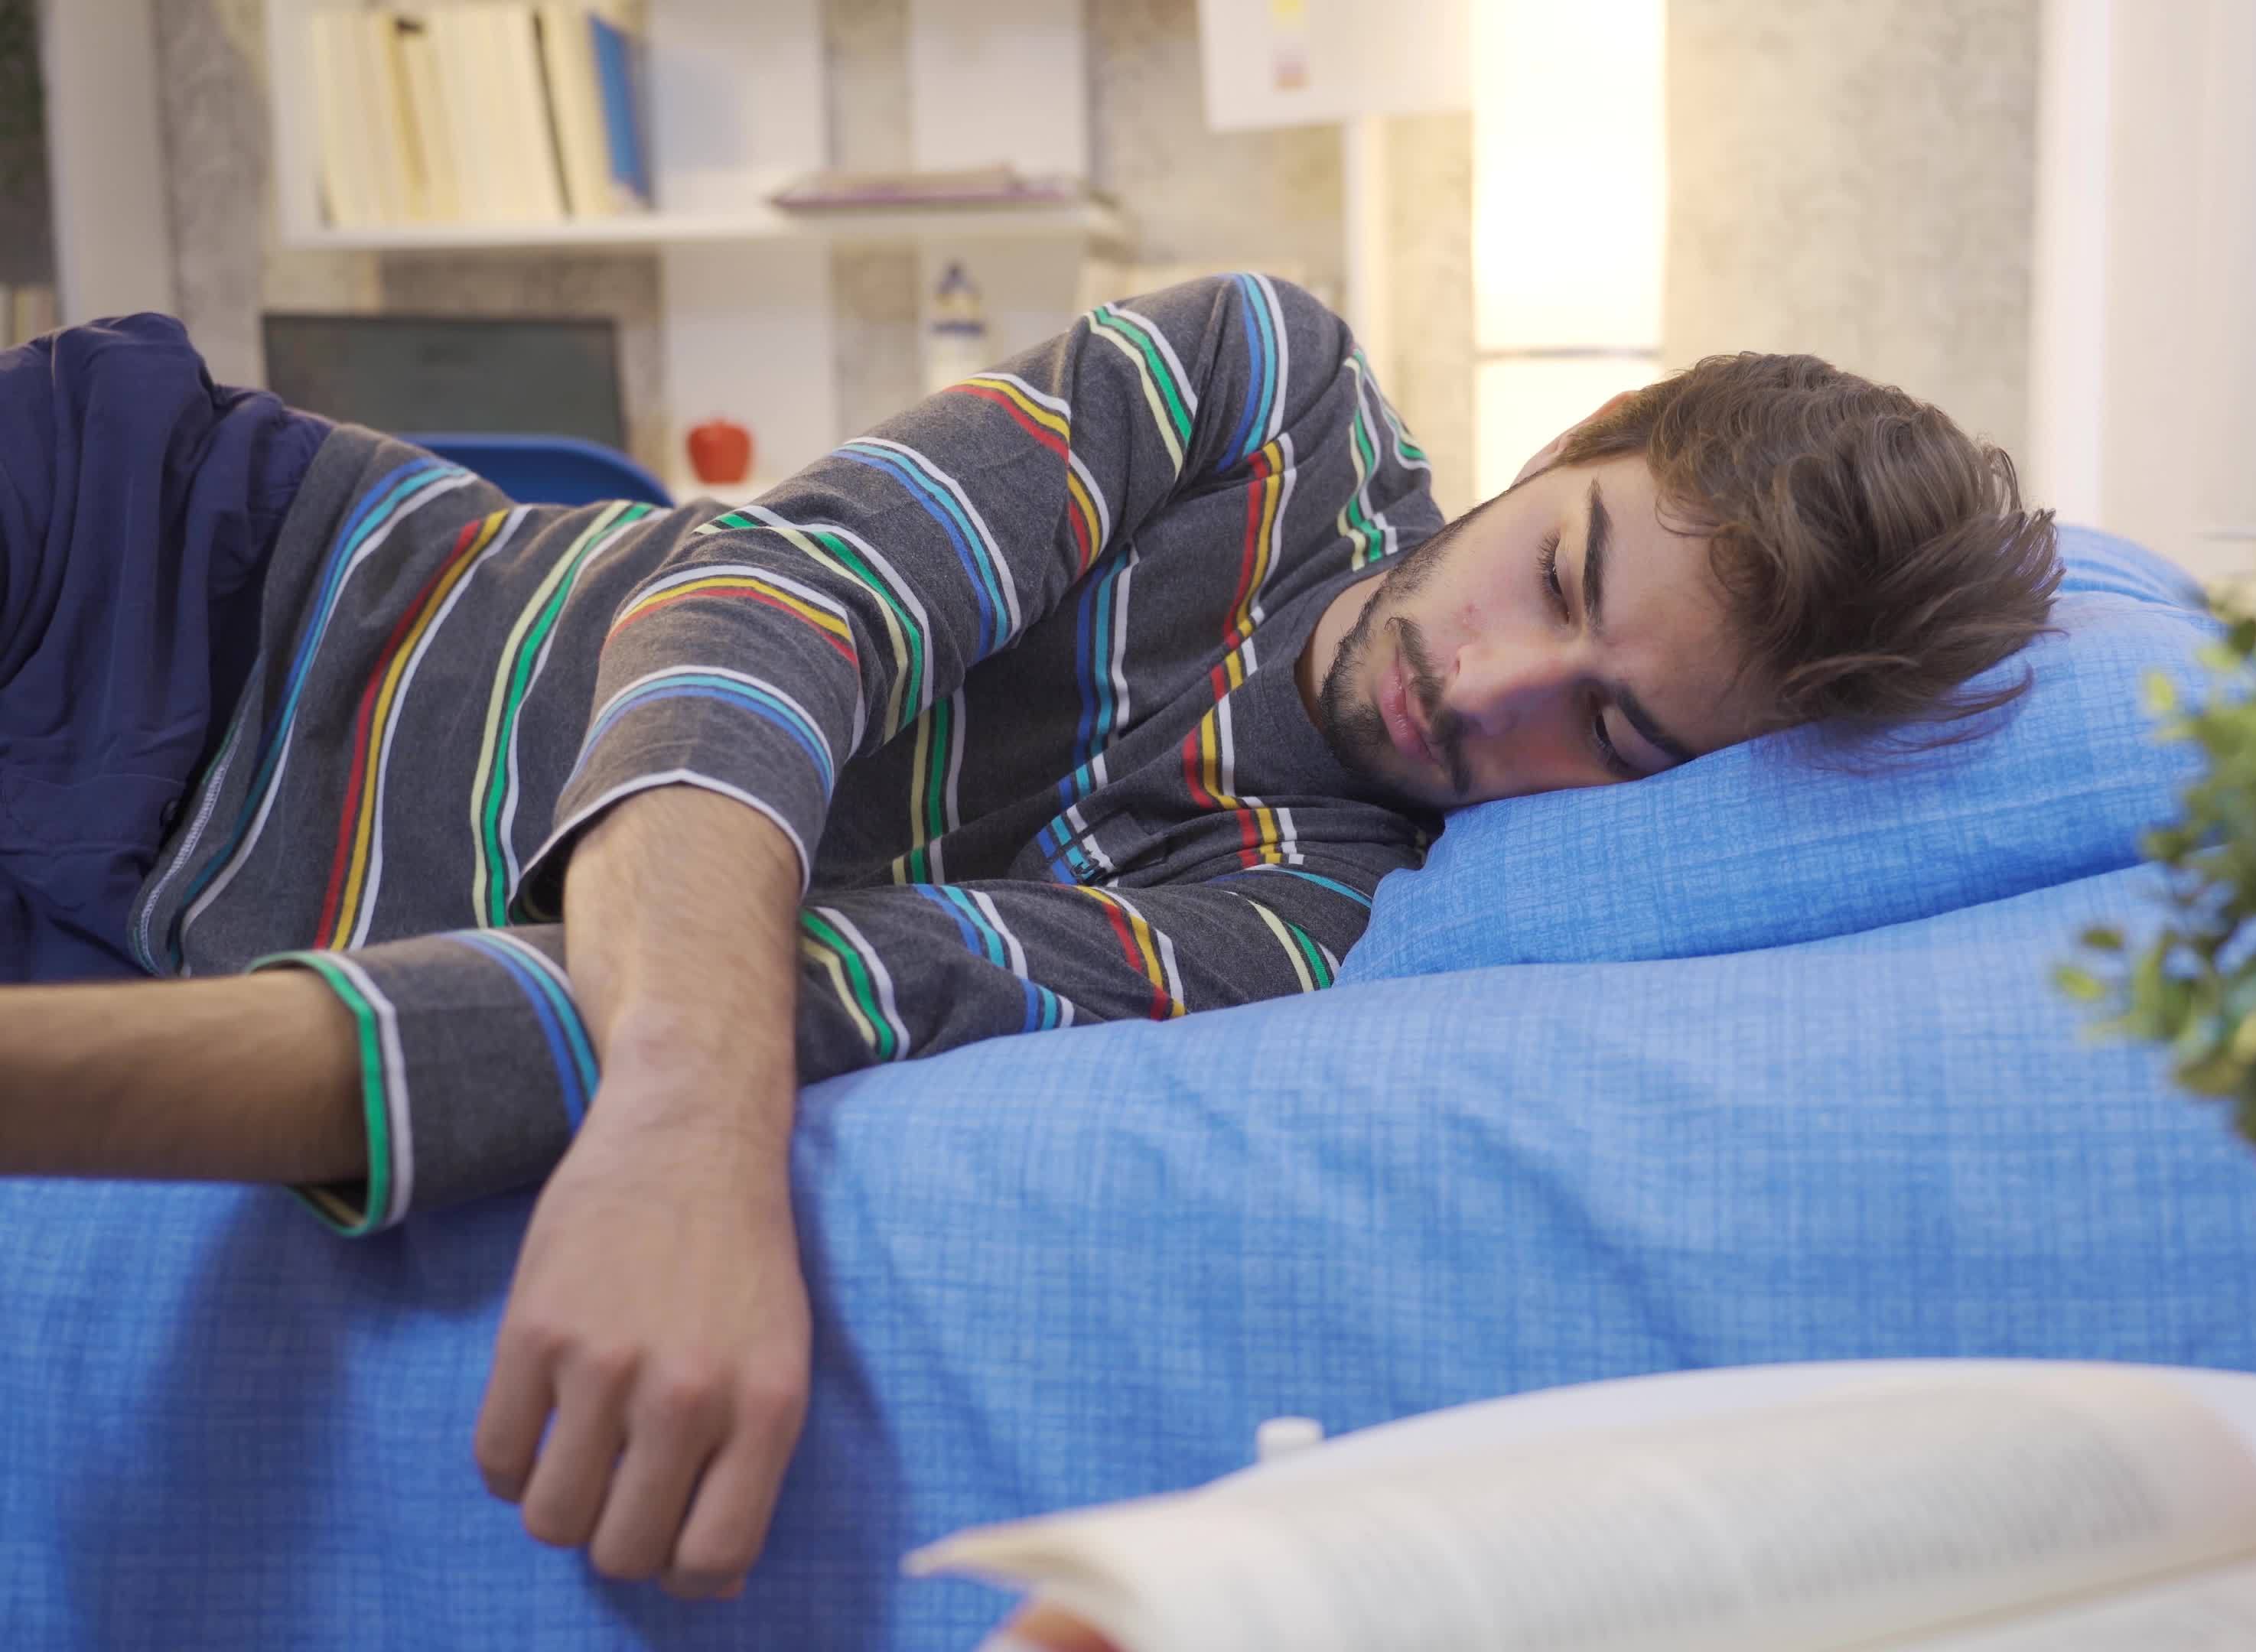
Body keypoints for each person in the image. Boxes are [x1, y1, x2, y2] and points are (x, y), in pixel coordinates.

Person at [0, 275, 2060, 1599]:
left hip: (149, 923)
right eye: (1562, 570)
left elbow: (850, 980)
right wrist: (684, 1136)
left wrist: (655, 1078)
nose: (1499, 687)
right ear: (1557, 454)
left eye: (1614, 735)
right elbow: (771, 610)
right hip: (172, 559)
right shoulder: (1271, 390)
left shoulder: (1305, 922)